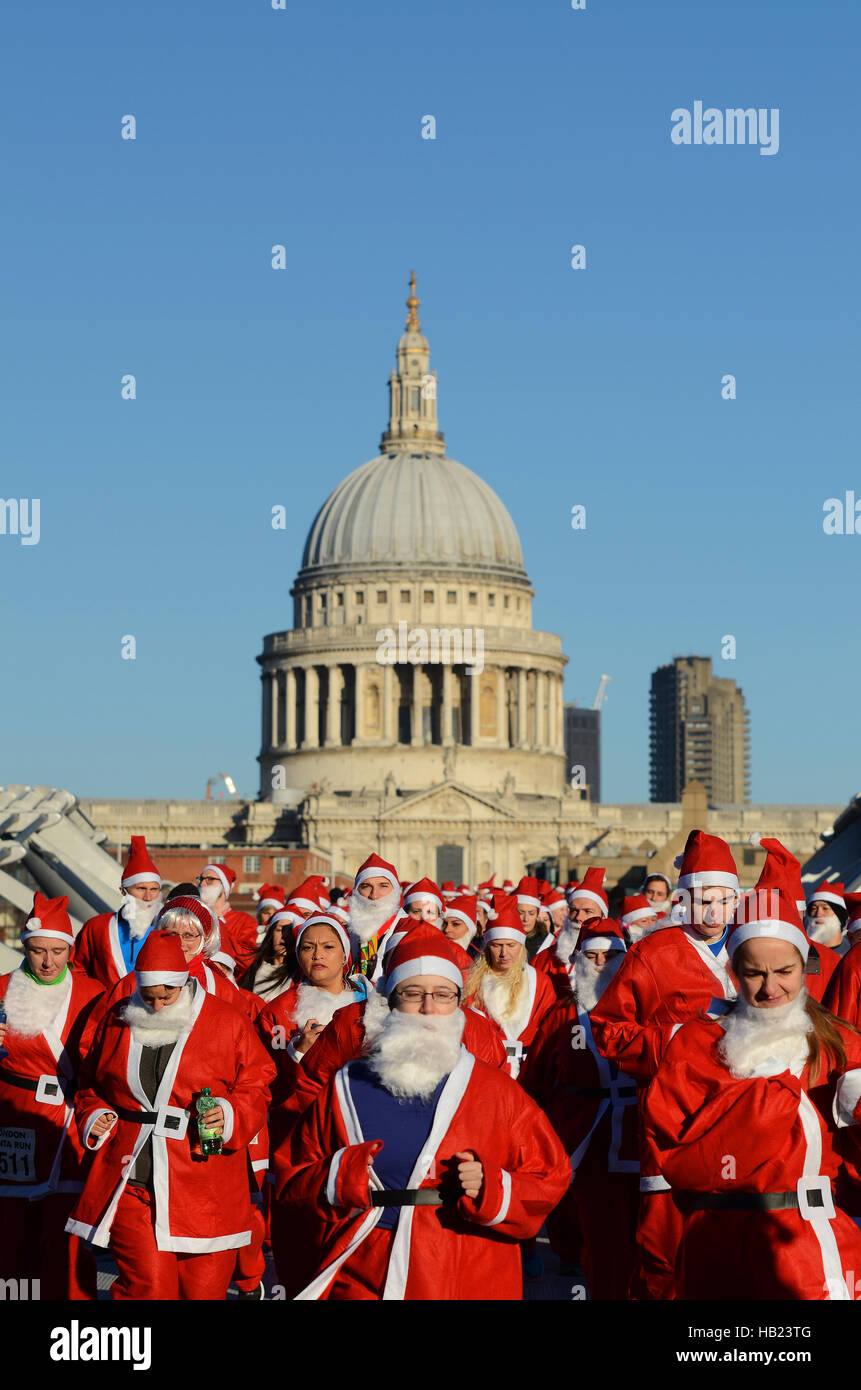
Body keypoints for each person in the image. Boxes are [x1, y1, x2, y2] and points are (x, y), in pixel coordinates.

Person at [273, 928, 570, 1300]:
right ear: (390, 1001)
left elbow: (551, 1174)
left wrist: (494, 1187)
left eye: (443, 995)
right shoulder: (346, 1086)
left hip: (466, 1265)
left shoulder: (497, 1090)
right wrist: (338, 1175)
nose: (429, 1008)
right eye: (412, 994)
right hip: (367, 1269)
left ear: (459, 1003)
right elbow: (291, 1176)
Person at [644, 885, 861, 1300]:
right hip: (715, 1243)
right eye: (754, 973)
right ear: (733, 972)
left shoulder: (836, 1043)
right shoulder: (696, 1044)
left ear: (804, 967)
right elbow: (672, 1152)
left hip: (807, 1242)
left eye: (784, 972)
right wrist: (766, 1103)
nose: (769, 989)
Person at [65, 931, 276, 1300]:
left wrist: (229, 1114)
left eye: (167, 995)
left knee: (202, 1293)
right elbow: (90, 1085)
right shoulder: (118, 1020)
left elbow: (258, 1083)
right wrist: (94, 1114)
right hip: (132, 1179)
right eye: (149, 997)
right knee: (147, 1289)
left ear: (184, 983)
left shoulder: (227, 1020)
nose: (158, 1006)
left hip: (204, 1182)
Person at [591, 829, 741, 1300]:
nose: (713, 912)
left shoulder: (756, 949)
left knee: (738, 1243)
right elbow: (608, 1031)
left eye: (722, 900)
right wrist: (677, 1040)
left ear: (737, 900)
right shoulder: (652, 954)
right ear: (684, 900)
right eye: (702, 900)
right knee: (666, 1244)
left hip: (745, 1117)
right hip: (673, 1116)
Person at [522, 917, 638, 1298]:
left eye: (610, 954)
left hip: (635, 1129)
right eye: (593, 954)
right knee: (594, 1218)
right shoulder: (561, 1014)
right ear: (579, 959)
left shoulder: (644, 1008)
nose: (602, 962)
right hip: (581, 1125)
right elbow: (537, 1074)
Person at [0, 893, 105, 1299]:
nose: (48, 962)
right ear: (24, 947)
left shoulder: (95, 992)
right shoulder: (3, 989)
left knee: (69, 1234)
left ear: (71, 949)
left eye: (58, 951)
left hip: (72, 1122)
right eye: (38, 950)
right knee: (12, 1237)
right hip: (17, 1122)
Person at [462, 898, 557, 1079]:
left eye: (511, 945)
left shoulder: (540, 982)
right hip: (486, 1069)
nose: (504, 953)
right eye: (497, 946)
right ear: (487, 947)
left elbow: (549, 1032)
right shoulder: (471, 981)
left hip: (530, 1069)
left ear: (521, 946)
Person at [72, 836, 162, 989]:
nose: (148, 897)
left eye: (154, 890)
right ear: (123, 891)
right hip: (106, 1010)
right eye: (141, 889)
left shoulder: (167, 929)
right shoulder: (96, 927)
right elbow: (77, 969)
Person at [348, 853, 407, 980]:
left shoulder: (408, 928)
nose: (374, 896)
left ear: (395, 890)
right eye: (365, 886)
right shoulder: (348, 931)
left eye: (383, 886)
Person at [196, 863, 258, 977]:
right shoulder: (194, 918)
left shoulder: (244, 921)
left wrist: (219, 927)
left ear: (224, 886)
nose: (202, 884)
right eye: (200, 879)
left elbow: (248, 961)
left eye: (210, 879)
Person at [240, 905, 302, 1001]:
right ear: (270, 933)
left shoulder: (300, 974)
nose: (284, 936)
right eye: (280, 930)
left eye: (290, 931)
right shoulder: (253, 966)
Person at [805, 880, 847, 952]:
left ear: (839, 915)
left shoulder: (851, 952)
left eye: (825, 908)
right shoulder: (800, 952)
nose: (818, 914)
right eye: (813, 908)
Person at [441, 894, 481, 960]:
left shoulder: (480, 959)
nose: (446, 930)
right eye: (444, 923)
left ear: (470, 929)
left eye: (455, 924)